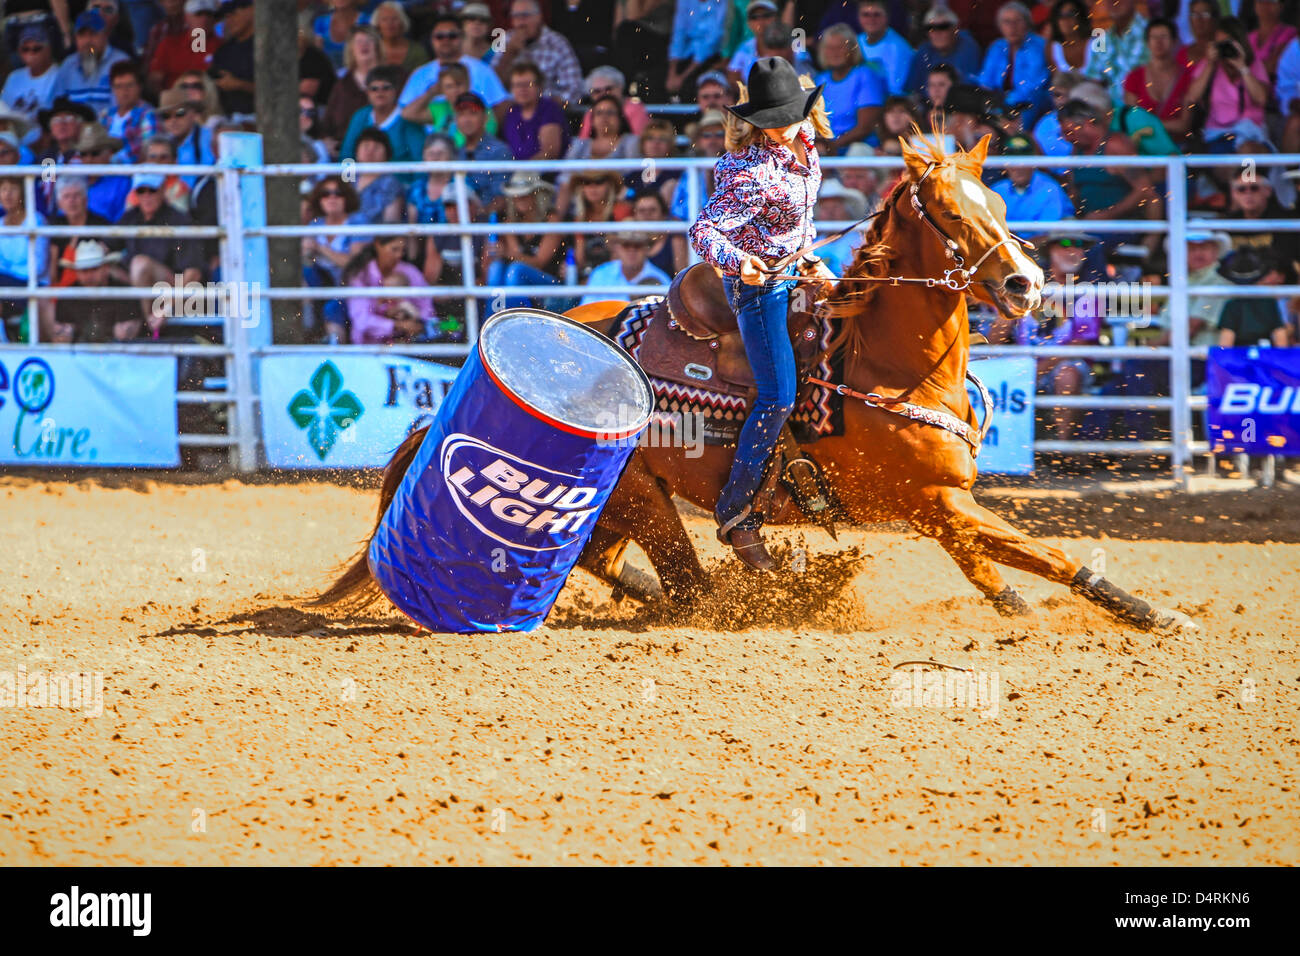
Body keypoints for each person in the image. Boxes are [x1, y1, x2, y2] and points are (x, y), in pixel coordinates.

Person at [688, 58, 835, 569]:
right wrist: (740, 260)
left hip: (795, 271)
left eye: (786, 114)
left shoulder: (807, 151)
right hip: (760, 287)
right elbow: (703, 232)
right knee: (778, 395)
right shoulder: (747, 169)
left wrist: (813, 259)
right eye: (769, 116)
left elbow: (802, 223)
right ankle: (736, 508)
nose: (778, 125)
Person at [118, 171, 204, 335]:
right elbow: (106, 246)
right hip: (143, 297)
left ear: (163, 190)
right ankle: (146, 324)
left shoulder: (179, 220)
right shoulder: (130, 218)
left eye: (152, 190)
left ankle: (150, 328)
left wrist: (168, 307)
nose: (146, 196)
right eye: (141, 191)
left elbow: (194, 274)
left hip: (179, 296)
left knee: (139, 265)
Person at [1183, 18, 1271, 153]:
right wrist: (1210, 65)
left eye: (1227, 44)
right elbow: (1192, 98)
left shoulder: (1253, 64)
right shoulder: (1209, 65)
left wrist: (1242, 67)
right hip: (1217, 136)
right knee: (1237, 160)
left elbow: (1261, 99)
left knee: (1249, 152)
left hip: (1250, 135)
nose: (1224, 49)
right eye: (1220, 44)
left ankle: (1248, 174)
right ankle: (1243, 173)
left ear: (1239, 43)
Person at [483, 170, 565, 313]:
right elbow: (513, 255)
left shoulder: (552, 219)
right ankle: (490, 326)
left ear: (536, 195)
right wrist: (498, 254)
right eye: (515, 195)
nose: (519, 199)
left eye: (524, 195)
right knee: (496, 268)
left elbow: (539, 262)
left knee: (516, 270)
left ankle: (516, 323)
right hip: (519, 281)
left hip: (550, 283)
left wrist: (506, 253)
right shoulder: (510, 222)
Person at [398, 14, 509, 115]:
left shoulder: (482, 70)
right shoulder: (420, 73)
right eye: (440, 36)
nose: (446, 40)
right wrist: (432, 92)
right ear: (431, 39)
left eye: (452, 35)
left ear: (462, 37)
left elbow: (500, 105)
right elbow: (405, 111)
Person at [343, 235, 434, 345]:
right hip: (368, 347)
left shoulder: (410, 272)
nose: (399, 255)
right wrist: (399, 325)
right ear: (378, 245)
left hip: (407, 343)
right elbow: (362, 321)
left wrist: (415, 321)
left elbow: (427, 309)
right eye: (394, 249)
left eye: (403, 250)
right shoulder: (360, 275)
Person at [492, 0, 584, 107]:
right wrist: (509, 54)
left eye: (525, 16)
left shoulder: (557, 43)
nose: (520, 23)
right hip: (511, 110)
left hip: (546, 109)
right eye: (516, 16)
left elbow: (574, 89)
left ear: (539, 17)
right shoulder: (505, 40)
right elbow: (491, 86)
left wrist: (545, 106)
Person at [302, 175, 360, 343]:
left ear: (347, 198)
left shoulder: (357, 222)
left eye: (338, 193)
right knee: (305, 272)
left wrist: (319, 248)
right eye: (326, 194)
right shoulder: (315, 225)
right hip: (319, 285)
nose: (332, 197)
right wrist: (307, 252)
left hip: (348, 286)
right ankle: (307, 331)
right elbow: (306, 262)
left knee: (333, 306)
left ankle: (334, 348)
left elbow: (354, 264)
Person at [814, 22, 883, 155]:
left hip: (858, 148)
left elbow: (865, 128)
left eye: (840, 47)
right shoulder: (820, 80)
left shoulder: (865, 75)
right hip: (827, 148)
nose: (834, 52)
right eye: (829, 47)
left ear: (852, 49)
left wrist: (833, 146)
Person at [50, 240, 138, 343]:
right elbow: (60, 339)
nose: (89, 276)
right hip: (79, 356)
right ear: (77, 273)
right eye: (84, 271)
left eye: (94, 269)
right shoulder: (67, 296)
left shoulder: (123, 293)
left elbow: (128, 333)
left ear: (106, 268)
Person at [978, 2, 1050, 124]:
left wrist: (1005, 101)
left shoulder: (1038, 46)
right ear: (1000, 26)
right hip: (1000, 102)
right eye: (1007, 22)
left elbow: (1034, 85)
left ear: (1027, 23)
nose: (1012, 27)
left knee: (1033, 98)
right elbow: (985, 81)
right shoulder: (997, 47)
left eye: (1018, 21)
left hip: (1027, 102)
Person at [1122, 17, 1192, 143]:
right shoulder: (1134, 77)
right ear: (1147, 42)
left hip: (1178, 148)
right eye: (1153, 37)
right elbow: (1132, 122)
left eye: (1164, 36)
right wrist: (1165, 125)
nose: (1158, 42)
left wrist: (1150, 126)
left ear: (1175, 41)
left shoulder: (1187, 76)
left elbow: (1184, 125)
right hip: (1145, 150)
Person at [339, 65, 423, 164]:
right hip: (361, 178)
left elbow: (419, 159)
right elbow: (347, 155)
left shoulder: (407, 117)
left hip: (402, 179)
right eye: (374, 89)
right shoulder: (360, 116)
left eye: (386, 88)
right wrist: (349, 179)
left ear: (396, 90)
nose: (380, 93)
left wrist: (416, 180)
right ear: (367, 93)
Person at [50, 9, 129, 114]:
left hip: (107, 128)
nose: (87, 41)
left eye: (93, 34)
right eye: (82, 35)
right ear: (76, 39)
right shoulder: (68, 65)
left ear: (105, 36)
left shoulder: (120, 62)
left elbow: (124, 110)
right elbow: (53, 107)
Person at [990, 133, 1074, 232]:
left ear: (1033, 162)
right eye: (1012, 162)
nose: (1017, 167)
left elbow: (1048, 236)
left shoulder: (1050, 189)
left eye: (1023, 162)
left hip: (1040, 246)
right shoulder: (996, 190)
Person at [1217, 248, 1290, 347]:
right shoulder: (1269, 302)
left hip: (1240, 358)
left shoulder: (1232, 304)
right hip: (1264, 357)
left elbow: (1225, 344)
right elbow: (1281, 340)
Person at [452, 92, 512, 212]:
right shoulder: (455, 152)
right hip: (459, 221)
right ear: (456, 120)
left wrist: (477, 219)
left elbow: (501, 199)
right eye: (461, 114)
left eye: (473, 113)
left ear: (485, 118)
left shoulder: (499, 150)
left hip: (488, 224)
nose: (467, 120)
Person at [905, 5, 982, 93]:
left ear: (955, 29)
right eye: (931, 28)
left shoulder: (968, 48)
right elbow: (911, 88)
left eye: (943, 27)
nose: (937, 33)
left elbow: (967, 88)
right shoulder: (923, 51)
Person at [324, 26, 380, 145]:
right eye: (359, 41)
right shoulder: (342, 84)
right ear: (351, 49)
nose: (364, 45)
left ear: (377, 46)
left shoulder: (395, 76)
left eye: (369, 40)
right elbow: (328, 122)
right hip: (345, 147)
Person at [579, 232, 670, 305]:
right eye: (626, 245)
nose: (632, 250)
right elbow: (587, 311)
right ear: (617, 248)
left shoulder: (662, 279)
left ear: (646, 248)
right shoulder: (600, 274)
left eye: (637, 246)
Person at [148, 0, 219, 93]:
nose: (204, 19)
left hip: (209, 101)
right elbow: (154, 81)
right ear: (186, 17)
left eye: (209, 15)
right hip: (174, 101)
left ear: (214, 19)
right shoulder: (169, 45)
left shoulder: (222, 47)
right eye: (198, 14)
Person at [501, 61, 567, 161]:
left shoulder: (549, 109)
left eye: (528, 84)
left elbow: (550, 153)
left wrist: (522, 169)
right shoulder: (511, 112)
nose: (522, 89)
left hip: (544, 172)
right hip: (514, 171)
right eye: (518, 85)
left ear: (539, 87)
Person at [665, 0, 728, 100]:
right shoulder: (684, 2)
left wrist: (683, 76)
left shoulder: (721, 3)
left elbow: (714, 38)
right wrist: (672, 72)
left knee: (690, 85)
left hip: (713, 55)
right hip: (688, 52)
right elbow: (679, 33)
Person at [1, 22, 60, 122]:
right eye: (25, 49)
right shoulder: (14, 77)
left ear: (48, 49)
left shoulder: (58, 75)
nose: (30, 53)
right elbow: (3, 112)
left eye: (36, 49)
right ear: (19, 51)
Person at [1092, 0, 1148, 102]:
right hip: (1113, 113)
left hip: (1148, 112)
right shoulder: (1100, 40)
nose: (1114, 2)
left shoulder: (1152, 33)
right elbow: (1094, 80)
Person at [855, 0, 912, 97]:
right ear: (859, 18)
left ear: (886, 17)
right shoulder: (856, 41)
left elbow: (894, 89)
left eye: (876, 14)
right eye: (866, 15)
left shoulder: (897, 47)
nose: (871, 19)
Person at [209, 0, 255, 116]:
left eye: (233, 14)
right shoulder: (223, 51)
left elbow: (279, 90)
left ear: (251, 10)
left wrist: (240, 84)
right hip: (227, 121)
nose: (229, 21)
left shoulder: (268, 47)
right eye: (226, 16)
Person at [102, 60, 153, 162]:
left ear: (139, 87)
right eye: (119, 86)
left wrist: (110, 160)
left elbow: (149, 151)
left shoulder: (149, 114)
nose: (124, 91)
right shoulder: (106, 115)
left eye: (129, 85)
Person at [631, 190, 688, 277]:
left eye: (652, 210)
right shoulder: (627, 242)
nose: (647, 214)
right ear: (635, 216)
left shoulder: (676, 240)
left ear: (663, 214)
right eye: (642, 210)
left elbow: (683, 278)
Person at [580, 67, 650, 137]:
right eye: (597, 91)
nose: (603, 94)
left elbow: (638, 141)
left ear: (621, 87)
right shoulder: (591, 113)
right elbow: (584, 142)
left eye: (608, 89)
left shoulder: (635, 108)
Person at [371, 1, 426, 74]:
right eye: (384, 19)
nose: (389, 23)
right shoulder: (371, 50)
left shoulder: (417, 51)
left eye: (394, 18)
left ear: (402, 23)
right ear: (377, 25)